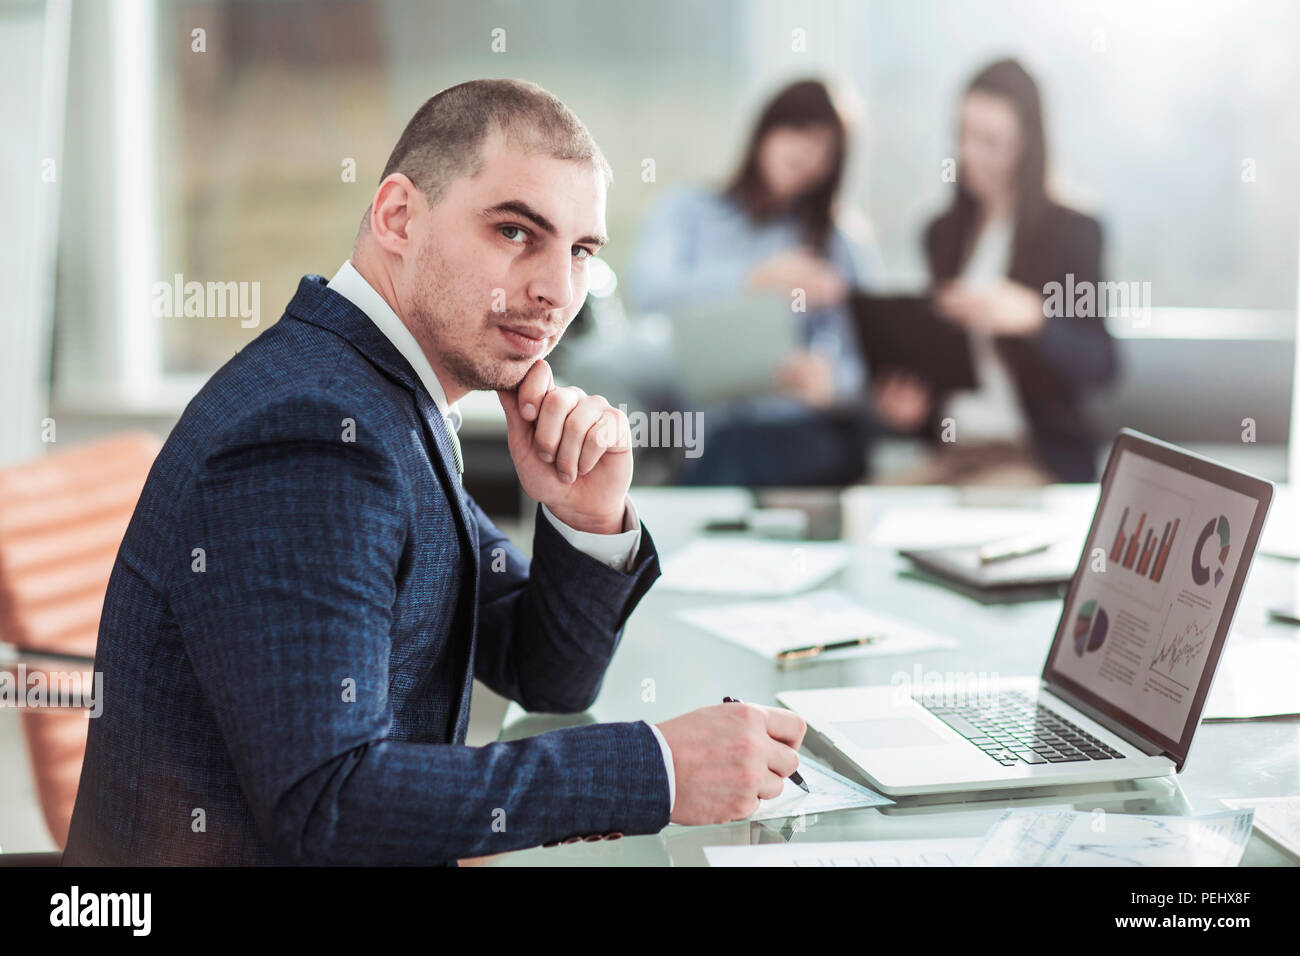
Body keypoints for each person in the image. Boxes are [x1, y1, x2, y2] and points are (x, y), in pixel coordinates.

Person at [63, 79, 806, 866]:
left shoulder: (380, 395)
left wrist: (587, 519)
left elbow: (544, 672)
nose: (558, 292)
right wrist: (656, 770)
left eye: (582, 251)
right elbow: (328, 806)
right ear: (397, 217)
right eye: (517, 231)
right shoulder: (315, 431)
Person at [872, 59, 1117, 484]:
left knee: (964, 524)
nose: (970, 154)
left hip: (1030, 457)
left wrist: (1033, 318)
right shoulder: (943, 234)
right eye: (963, 135)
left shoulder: (1072, 231)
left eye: (991, 141)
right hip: (952, 452)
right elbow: (943, 366)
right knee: (867, 515)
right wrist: (912, 409)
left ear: (1027, 144)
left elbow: (1102, 364)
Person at [627, 78, 882, 486]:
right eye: (799, 133)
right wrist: (755, 281)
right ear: (766, 128)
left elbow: (866, 359)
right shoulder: (689, 210)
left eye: (826, 149)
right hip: (704, 426)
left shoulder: (838, 242)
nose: (808, 156)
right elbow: (648, 293)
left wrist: (832, 382)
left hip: (796, 429)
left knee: (734, 457)